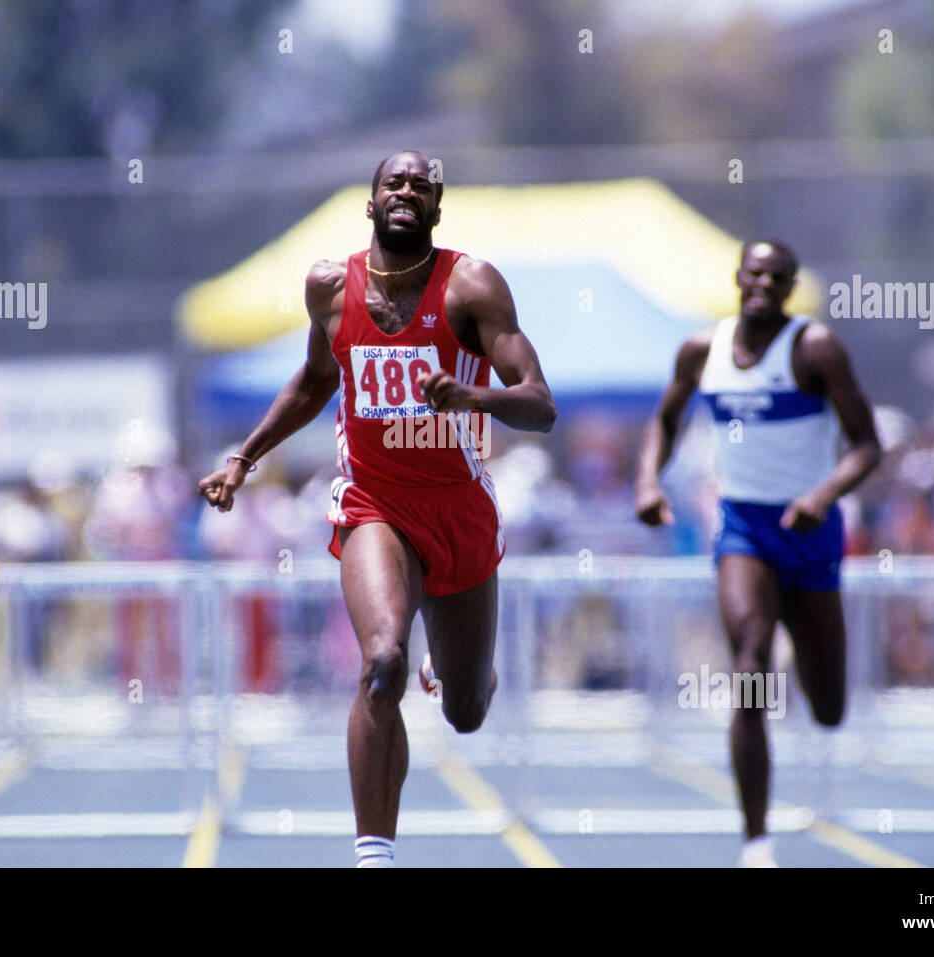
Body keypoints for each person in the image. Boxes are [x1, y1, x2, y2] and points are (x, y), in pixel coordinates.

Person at [198, 151, 555, 867]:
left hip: (459, 511)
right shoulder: (330, 287)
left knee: (465, 712)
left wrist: (471, 395)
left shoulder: (472, 285)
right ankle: (374, 855)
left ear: (436, 209)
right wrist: (245, 456)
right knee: (382, 660)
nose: (407, 192)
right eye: (394, 183)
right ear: (370, 203)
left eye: (422, 186)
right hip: (374, 503)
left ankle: (456, 674)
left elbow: (540, 404)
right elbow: (312, 379)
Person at [634, 240, 880, 867]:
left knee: (828, 709)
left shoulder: (815, 348)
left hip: (811, 527)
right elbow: (665, 421)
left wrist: (822, 496)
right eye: (755, 274)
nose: (764, 285)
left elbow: (868, 446)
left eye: (777, 278)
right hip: (743, 527)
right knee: (749, 668)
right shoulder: (702, 350)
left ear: (791, 287)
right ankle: (755, 841)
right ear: (738, 278)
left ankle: (807, 652)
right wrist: (647, 482)